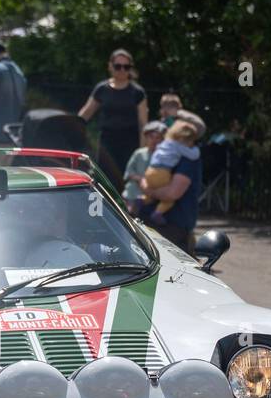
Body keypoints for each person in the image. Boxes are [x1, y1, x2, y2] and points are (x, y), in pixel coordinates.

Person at [77, 49, 147, 187]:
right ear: (110, 66)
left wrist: (143, 152)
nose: (122, 70)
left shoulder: (137, 92)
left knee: (128, 183)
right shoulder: (102, 89)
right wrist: (69, 127)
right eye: (118, 66)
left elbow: (143, 124)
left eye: (126, 67)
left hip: (130, 144)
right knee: (105, 182)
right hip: (107, 144)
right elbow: (85, 113)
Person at [138, 118, 203, 253]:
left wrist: (149, 191)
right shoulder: (172, 151)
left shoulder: (188, 160)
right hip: (153, 220)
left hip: (173, 225)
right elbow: (146, 178)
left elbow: (172, 193)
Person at [123, 119, 165, 217]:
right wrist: (140, 179)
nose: (154, 141)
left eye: (158, 138)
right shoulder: (139, 153)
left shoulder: (164, 156)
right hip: (135, 189)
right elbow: (128, 173)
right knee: (129, 199)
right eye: (151, 137)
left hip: (153, 190)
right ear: (146, 138)